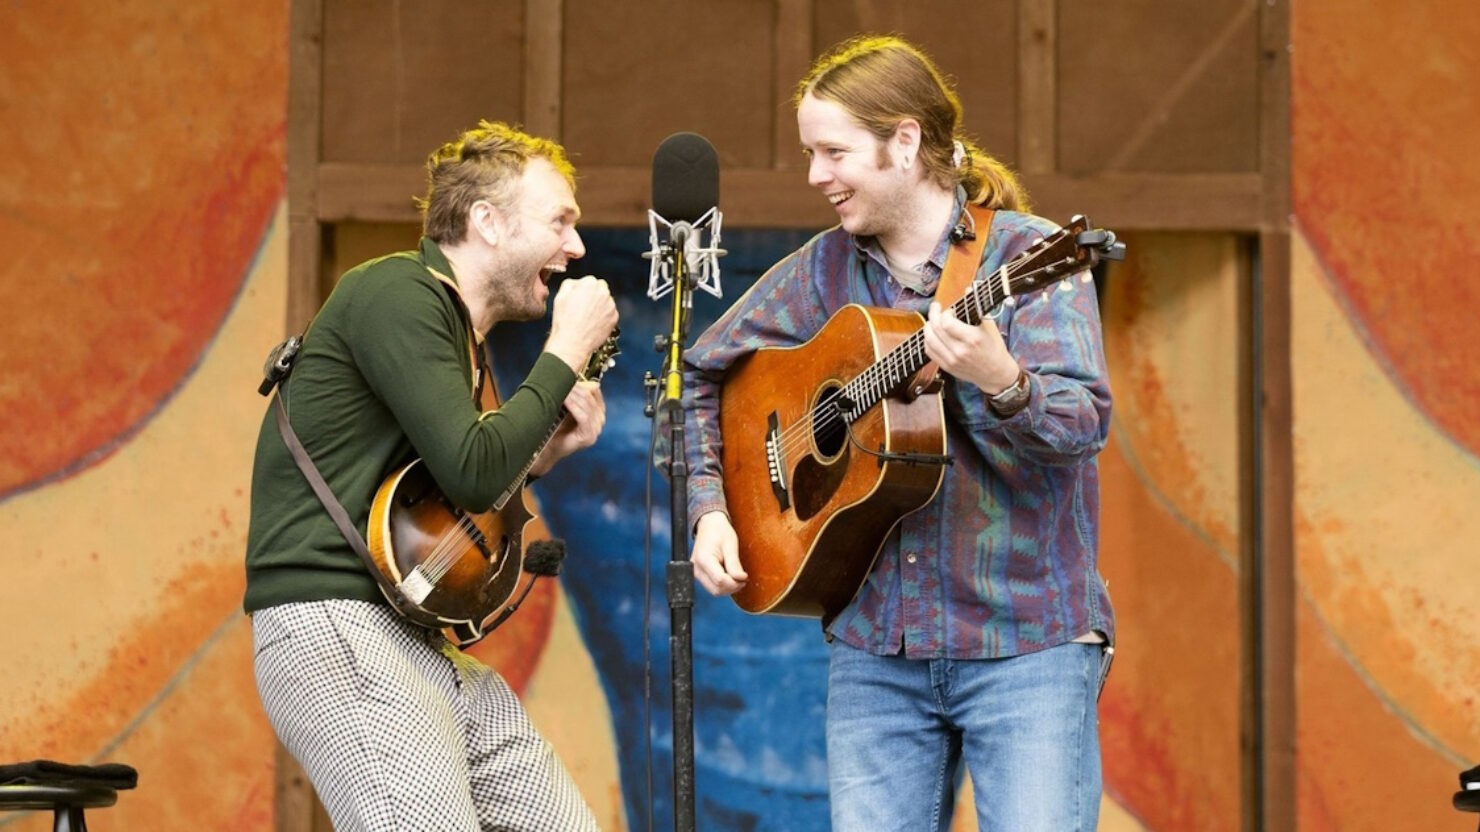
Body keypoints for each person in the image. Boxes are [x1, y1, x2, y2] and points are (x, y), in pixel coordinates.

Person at [681, 36, 1115, 831]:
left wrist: (1002, 378)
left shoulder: (1027, 255)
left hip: (1027, 640)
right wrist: (710, 508)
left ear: (905, 142)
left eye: (834, 152)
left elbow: (1082, 425)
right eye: (811, 153)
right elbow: (702, 376)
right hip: (877, 646)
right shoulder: (822, 272)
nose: (816, 175)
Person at [244, 120, 617, 831]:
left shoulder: (453, 332)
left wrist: (545, 454)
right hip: (337, 621)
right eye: (560, 221)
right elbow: (475, 472)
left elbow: (449, 491)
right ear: (487, 222)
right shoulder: (398, 293)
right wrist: (567, 348)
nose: (576, 246)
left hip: (410, 632)